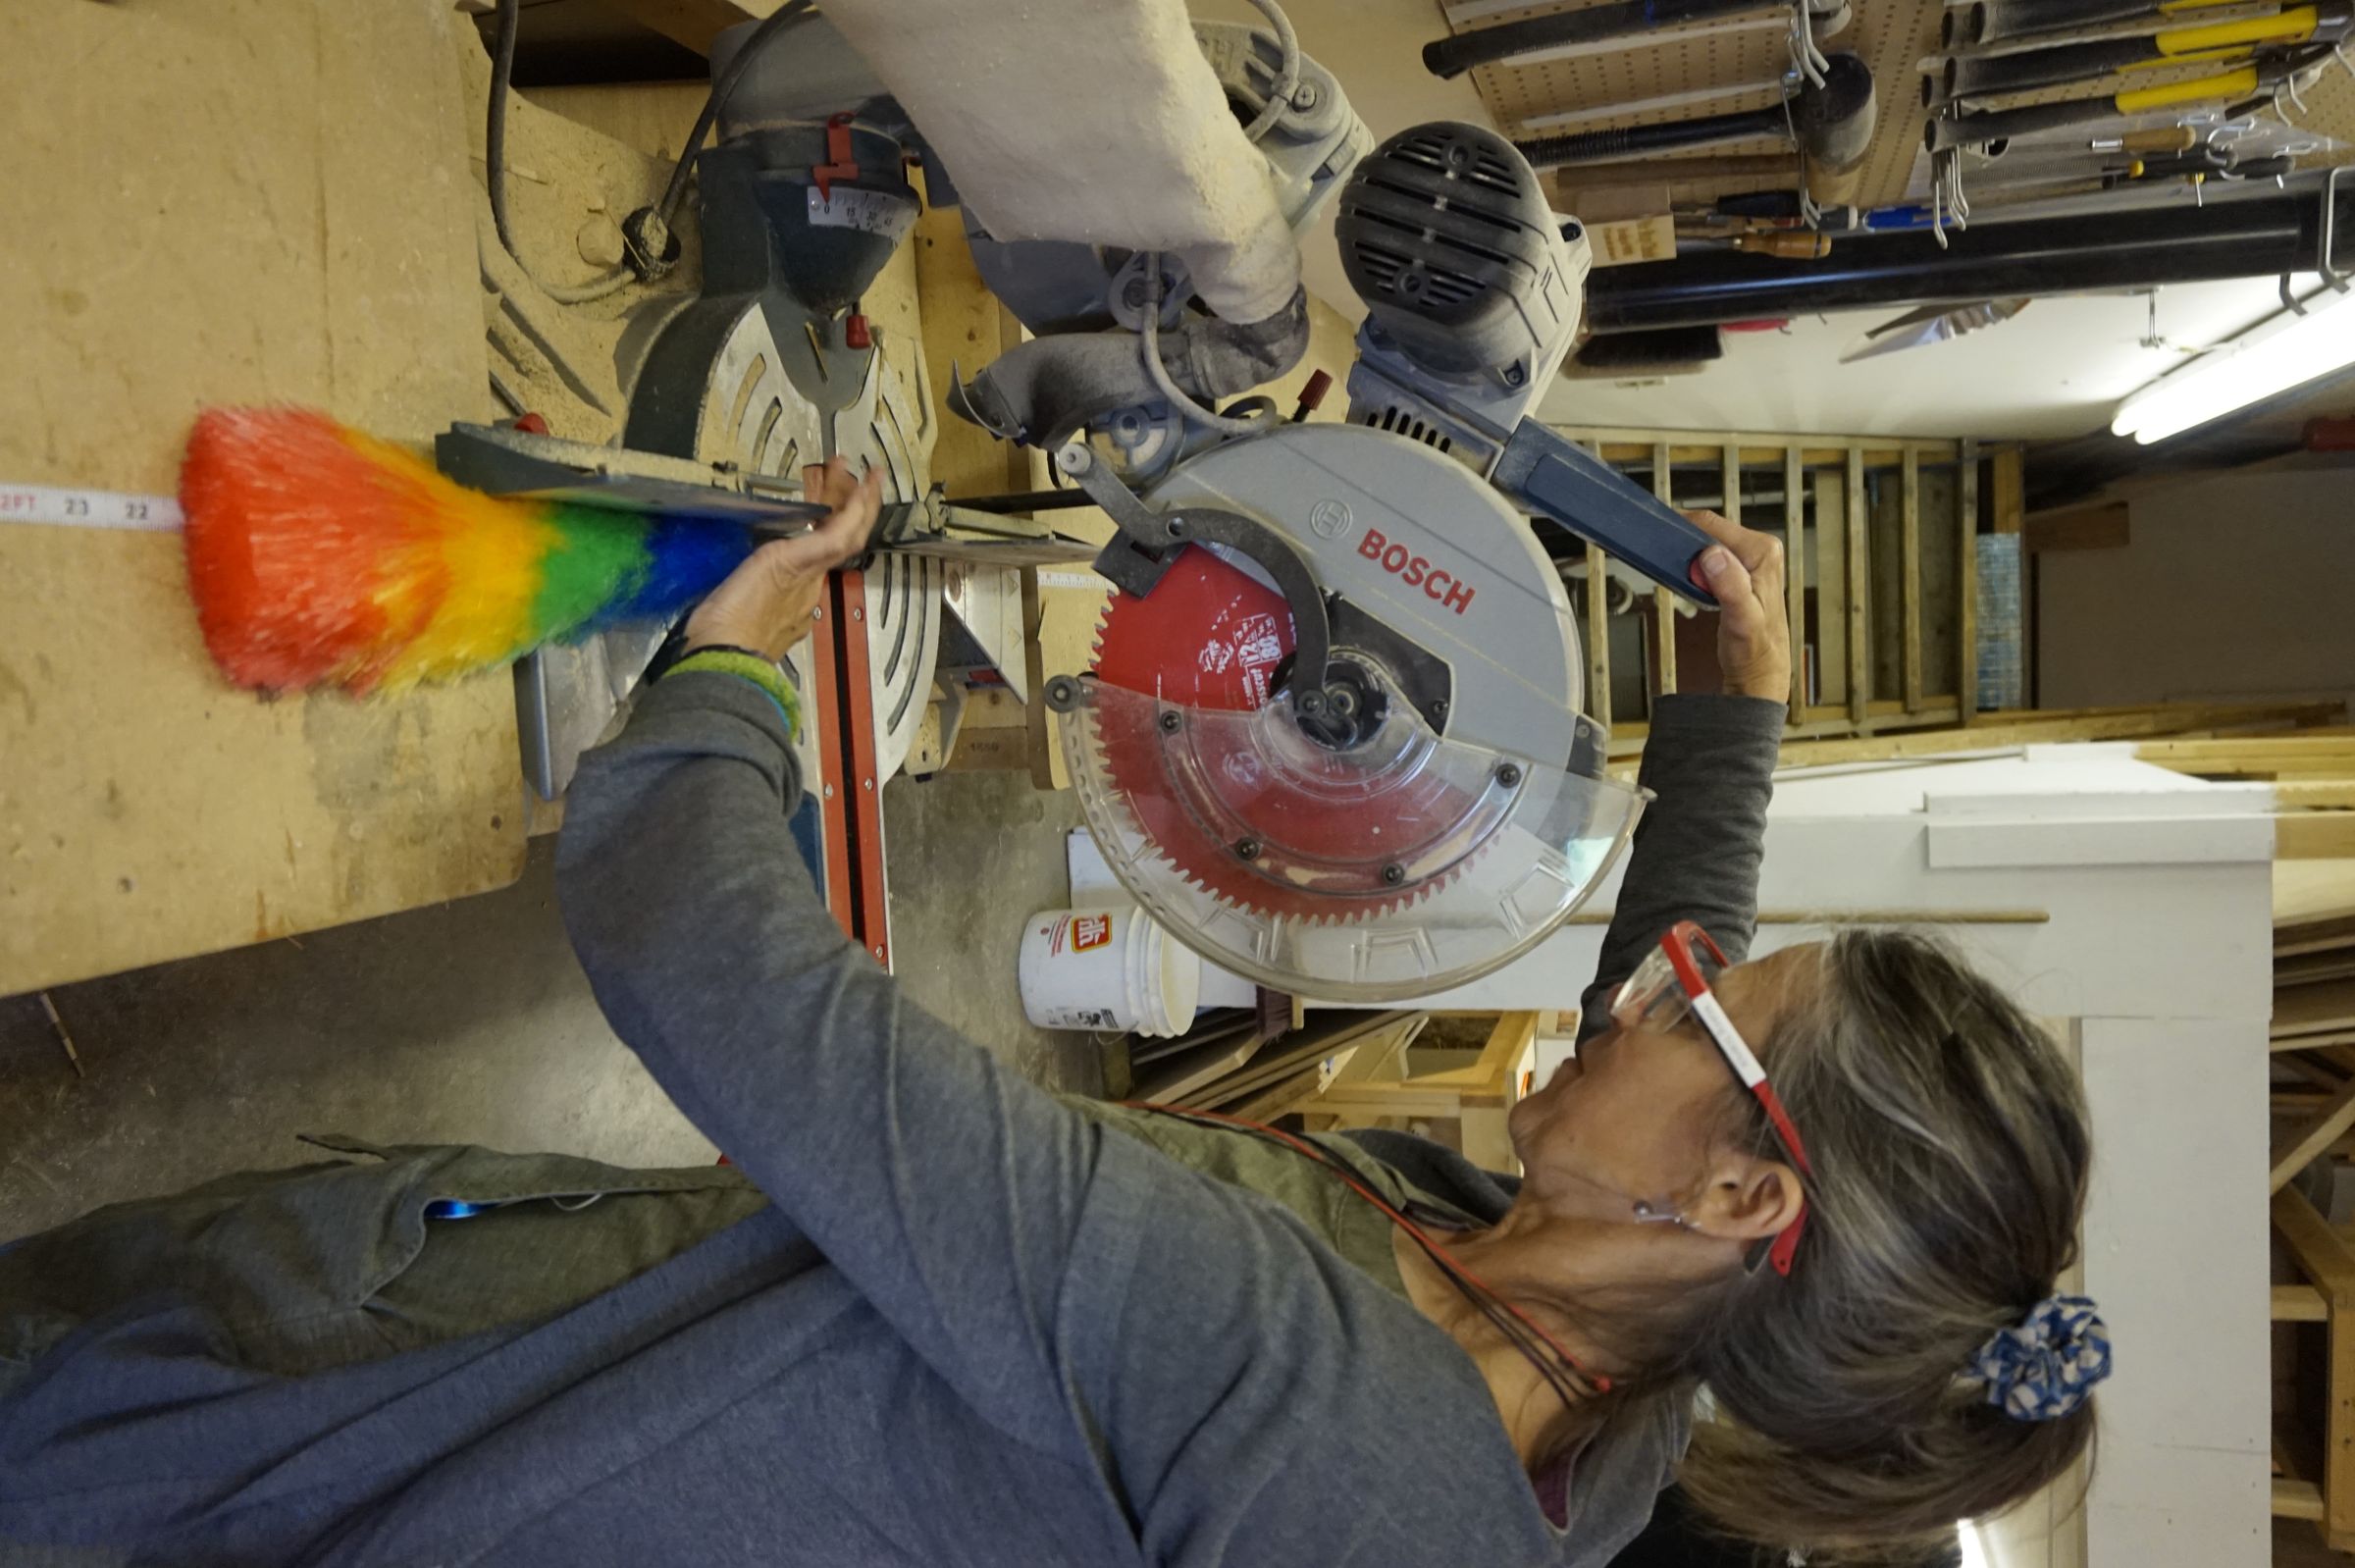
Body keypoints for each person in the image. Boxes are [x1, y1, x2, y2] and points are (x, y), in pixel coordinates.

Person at [0, 457, 2108, 1567]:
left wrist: (734, 661)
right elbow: (1668, 988)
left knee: (81, 1388)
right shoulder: (1601, 1439)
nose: (1670, 977)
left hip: (444, 1431)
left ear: (1745, 1188)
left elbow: (706, 956)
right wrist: (1728, 739)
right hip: (646, 1406)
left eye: (1722, 1002)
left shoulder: (1263, 1350)